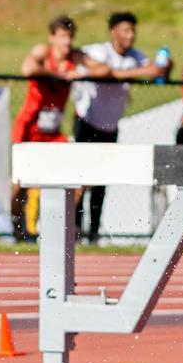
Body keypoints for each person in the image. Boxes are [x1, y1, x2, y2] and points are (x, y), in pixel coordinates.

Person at [10, 15, 110, 240]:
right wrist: (56, 75)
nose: (67, 42)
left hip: (53, 133)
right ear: (52, 37)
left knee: (79, 177)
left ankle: (58, 226)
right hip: (29, 128)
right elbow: (27, 69)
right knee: (21, 184)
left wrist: (81, 73)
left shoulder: (75, 57)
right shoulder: (43, 52)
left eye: (70, 37)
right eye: (63, 37)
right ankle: (16, 232)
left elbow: (104, 70)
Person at [72, 11, 169, 241]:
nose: (131, 35)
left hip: (110, 126)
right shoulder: (99, 51)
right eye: (126, 30)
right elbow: (105, 72)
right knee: (80, 179)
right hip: (87, 122)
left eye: (133, 30)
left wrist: (164, 65)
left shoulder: (136, 56)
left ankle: (93, 233)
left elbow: (155, 72)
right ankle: (74, 229)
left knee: (101, 182)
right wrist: (140, 72)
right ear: (113, 32)